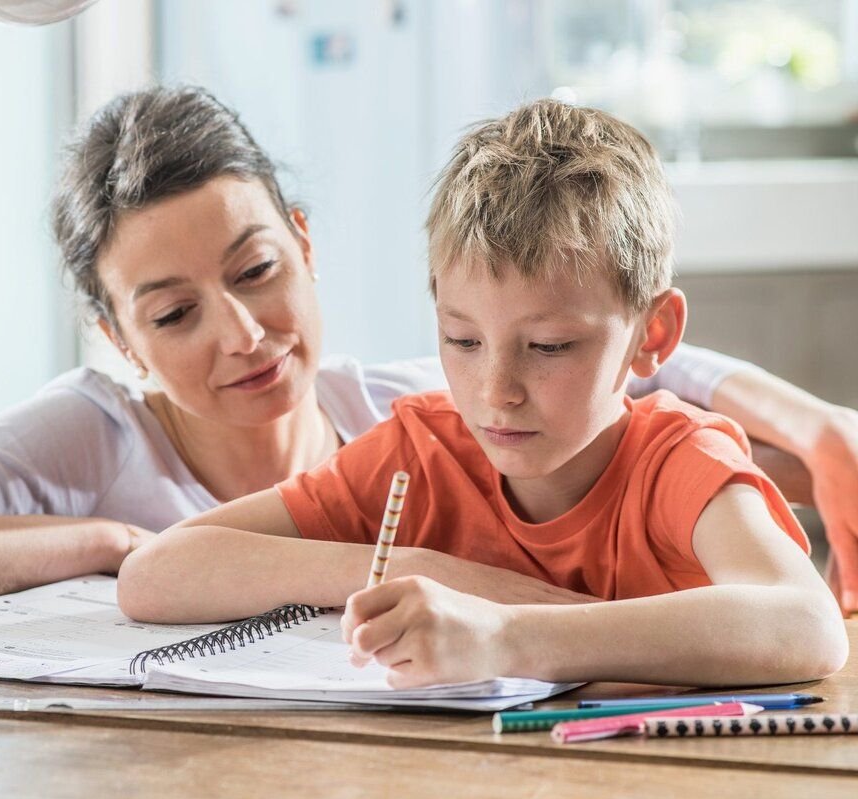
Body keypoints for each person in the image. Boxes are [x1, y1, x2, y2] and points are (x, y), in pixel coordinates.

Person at [0, 86, 858, 618]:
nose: (244, 336)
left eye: (256, 271)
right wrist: (104, 539)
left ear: (306, 243)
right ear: (116, 337)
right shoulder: (92, 429)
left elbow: (611, 372)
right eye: (174, 313)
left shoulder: (397, 410)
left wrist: (810, 422)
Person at [116, 99, 848, 688]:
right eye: (462, 341)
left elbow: (807, 628)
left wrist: (505, 632)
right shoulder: (418, 453)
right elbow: (153, 574)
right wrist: (422, 569)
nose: (496, 391)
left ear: (651, 335)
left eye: (550, 347)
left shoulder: (678, 460)